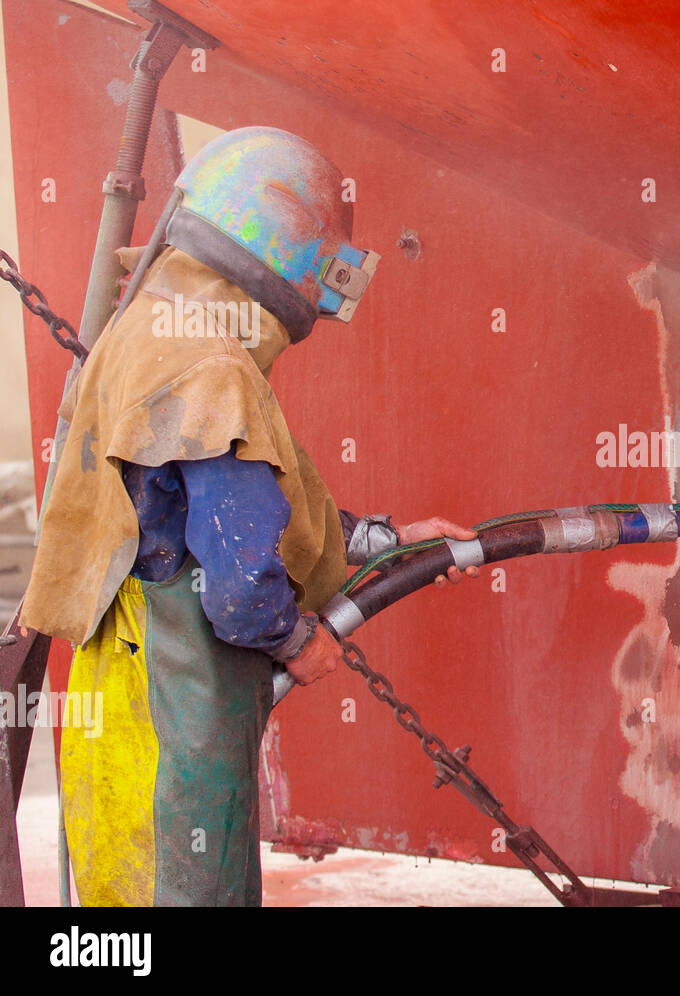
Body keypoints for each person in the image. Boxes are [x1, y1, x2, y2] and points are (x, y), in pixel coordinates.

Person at [19, 126, 475, 906]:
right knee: (192, 882)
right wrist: (297, 638)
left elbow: (236, 500)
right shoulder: (215, 372)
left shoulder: (152, 330)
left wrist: (385, 541)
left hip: (115, 672)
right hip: (174, 690)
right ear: (291, 262)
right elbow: (237, 590)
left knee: (113, 890)